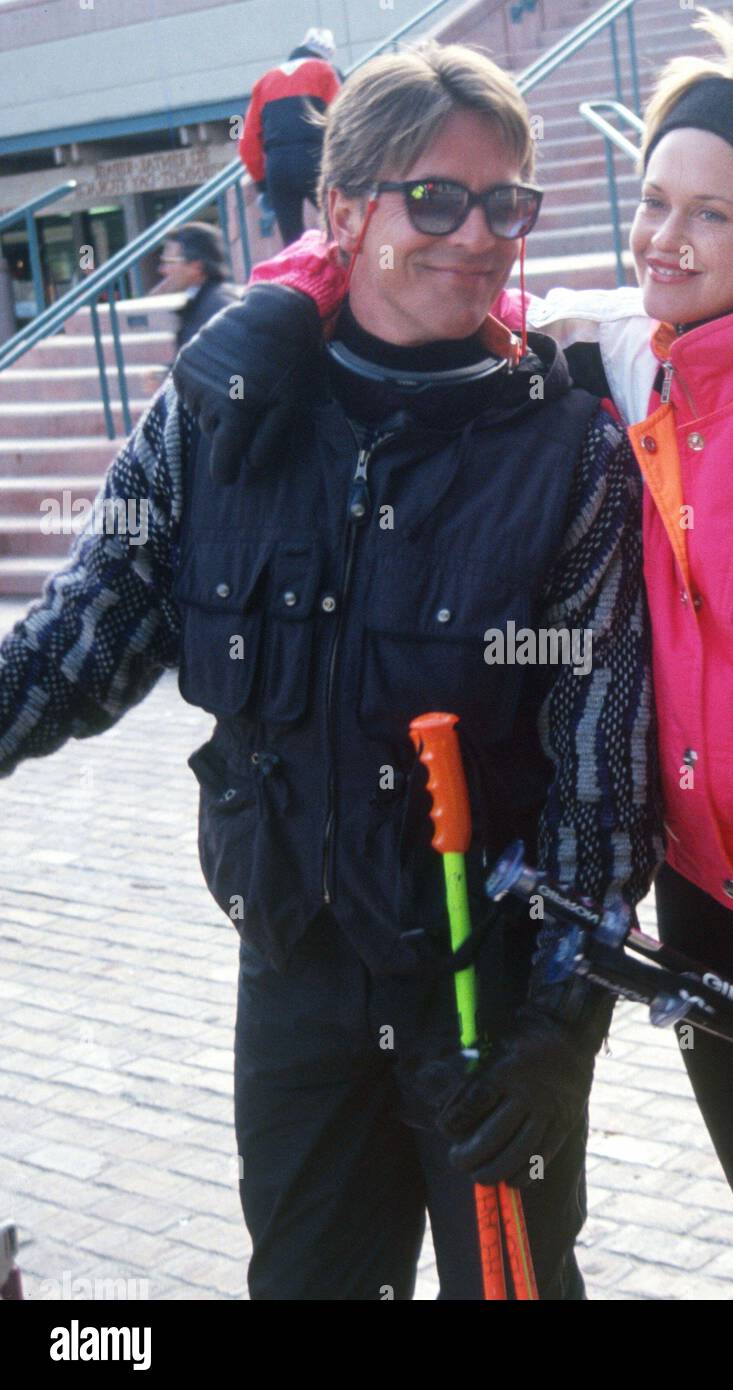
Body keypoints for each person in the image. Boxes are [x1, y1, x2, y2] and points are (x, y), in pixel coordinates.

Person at [174, 10, 733, 1300]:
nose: (660, 239)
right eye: (651, 200)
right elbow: (432, 268)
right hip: (708, 917)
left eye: (709, 214)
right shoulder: (622, 352)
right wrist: (281, 295)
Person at [0, 42, 661, 1300]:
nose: (478, 234)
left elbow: (601, 775)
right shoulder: (214, 418)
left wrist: (557, 1035)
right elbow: (80, 642)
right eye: (435, 198)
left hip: (486, 997)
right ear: (342, 210)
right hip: (294, 980)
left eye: (504, 202)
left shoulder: (569, 451)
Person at [239, 27, 342, 245]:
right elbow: (344, 121)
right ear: (326, 54)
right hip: (315, 159)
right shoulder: (326, 71)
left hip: (277, 167)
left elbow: (246, 142)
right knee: (340, 231)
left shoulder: (265, 80)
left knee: (291, 243)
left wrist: (262, 185)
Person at [151, 221, 237, 352]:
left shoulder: (218, 309)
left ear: (196, 267)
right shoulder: (202, 301)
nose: (162, 269)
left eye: (169, 262)